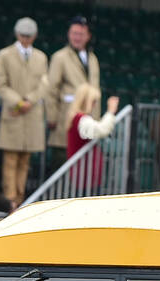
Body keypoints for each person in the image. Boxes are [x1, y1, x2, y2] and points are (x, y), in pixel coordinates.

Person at [0, 17, 49, 206]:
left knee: (25, 161)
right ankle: (9, 201)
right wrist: (18, 102)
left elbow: (44, 84)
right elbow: (1, 84)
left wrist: (30, 101)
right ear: (17, 34)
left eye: (29, 36)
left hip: (31, 115)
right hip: (13, 113)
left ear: (34, 36)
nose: (26, 39)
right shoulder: (5, 55)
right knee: (10, 161)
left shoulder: (41, 58)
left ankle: (20, 200)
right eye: (23, 35)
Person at [48, 16, 101, 172]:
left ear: (88, 36)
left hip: (88, 120)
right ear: (68, 34)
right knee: (62, 165)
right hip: (67, 117)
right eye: (74, 33)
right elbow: (52, 89)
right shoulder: (60, 57)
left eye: (81, 34)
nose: (77, 37)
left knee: (82, 169)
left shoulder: (92, 58)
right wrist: (51, 116)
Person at [67, 84, 120, 193]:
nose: (95, 105)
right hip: (84, 177)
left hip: (87, 177)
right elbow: (101, 130)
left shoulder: (78, 118)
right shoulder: (81, 119)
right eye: (93, 101)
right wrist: (110, 112)